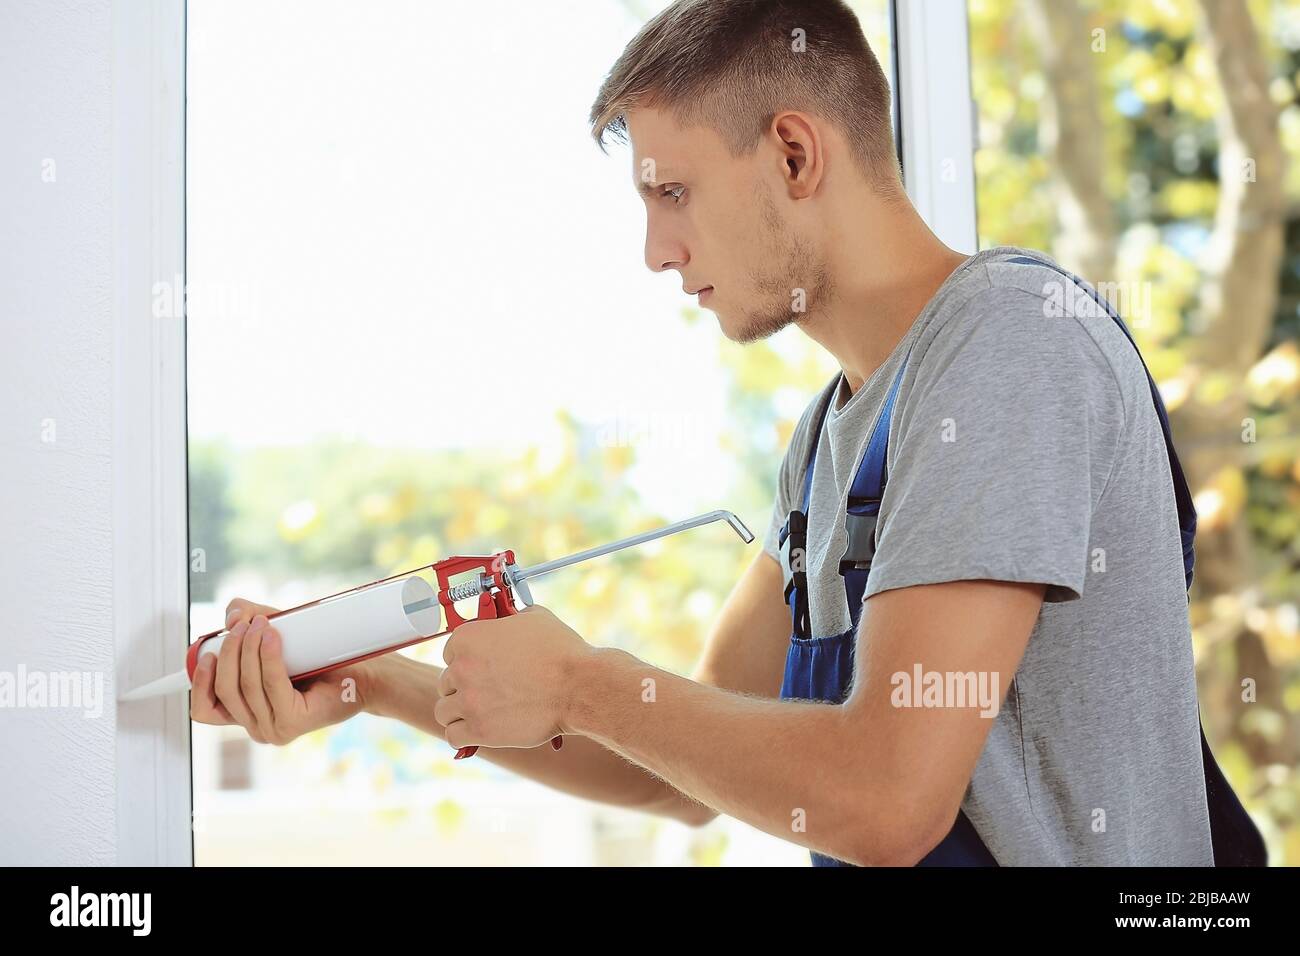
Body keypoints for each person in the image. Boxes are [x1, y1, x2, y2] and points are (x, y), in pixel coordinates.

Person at [194, 0, 1219, 866]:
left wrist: (580, 678)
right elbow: (670, 769)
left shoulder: (1007, 341)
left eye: (671, 192)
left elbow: (886, 796)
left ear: (791, 151)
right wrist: (365, 677)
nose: (654, 251)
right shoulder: (826, 444)